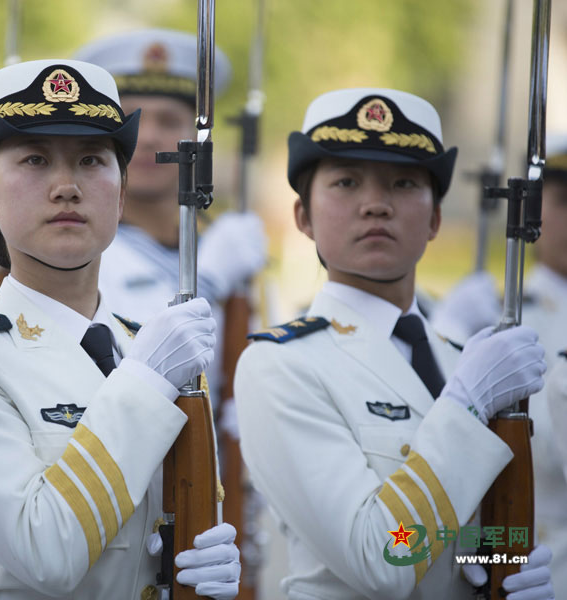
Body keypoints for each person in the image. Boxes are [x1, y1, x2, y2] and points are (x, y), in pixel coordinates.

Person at [0, 58, 240, 599]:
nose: (66, 186)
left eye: (90, 160)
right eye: (35, 160)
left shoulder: (145, 348)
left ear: (122, 192)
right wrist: (146, 384)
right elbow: (46, 553)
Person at [234, 88, 553, 599]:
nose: (376, 204)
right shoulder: (280, 367)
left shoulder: (460, 359)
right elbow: (380, 556)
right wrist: (467, 406)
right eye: (345, 182)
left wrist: (502, 555)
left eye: (403, 183)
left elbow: (467, 533)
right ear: (304, 217)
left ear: (434, 219)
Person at [74, 29, 266, 404]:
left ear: (197, 138)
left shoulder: (228, 250)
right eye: (133, 120)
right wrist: (207, 282)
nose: (148, 137)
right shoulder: (80, 250)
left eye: (168, 120)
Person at [431, 135, 567, 597]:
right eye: (566, 201)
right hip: (525, 569)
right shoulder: (497, 319)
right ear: (535, 210)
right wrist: (483, 565)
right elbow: (468, 484)